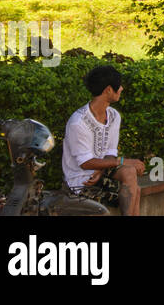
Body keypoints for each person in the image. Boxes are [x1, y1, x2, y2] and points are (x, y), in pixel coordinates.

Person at [61, 65, 144, 215]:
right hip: (81, 182)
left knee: (130, 175)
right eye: (118, 86)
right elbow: (85, 163)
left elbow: (110, 152)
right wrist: (124, 161)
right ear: (108, 90)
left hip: (100, 173)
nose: (122, 89)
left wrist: (101, 169)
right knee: (134, 188)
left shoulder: (113, 116)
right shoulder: (78, 122)